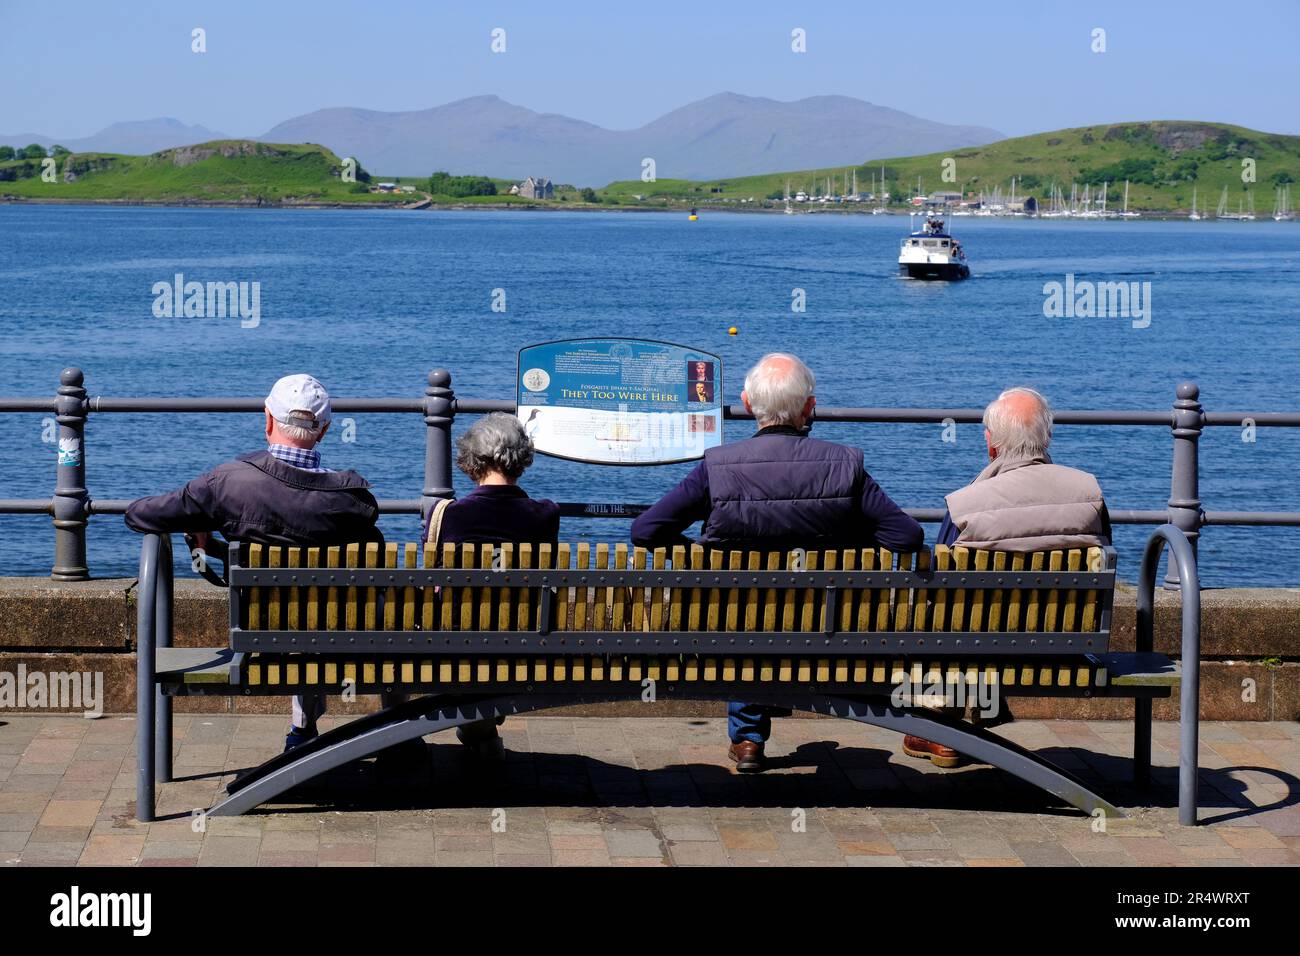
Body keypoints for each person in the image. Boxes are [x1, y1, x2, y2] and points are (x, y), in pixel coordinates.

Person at [631, 353, 923, 772]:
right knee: (779, 616)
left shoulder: (718, 466)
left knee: (749, 617)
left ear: (748, 404)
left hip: (733, 627)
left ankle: (749, 738)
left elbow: (646, 530)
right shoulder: (845, 465)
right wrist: (847, 538)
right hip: (827, 628)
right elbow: (907, 536)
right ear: (808, 407)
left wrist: (702, 550)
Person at [124, 374, 386, 753]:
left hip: (261, 631)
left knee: (298, 615)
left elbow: (140, 515)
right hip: (338, 634)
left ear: (267, 419)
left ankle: (302, 730)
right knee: (316, 610)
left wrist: (205, 532)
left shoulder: (227, 484)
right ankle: (352, 734)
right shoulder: (352, 502)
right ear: (325, 430)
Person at [906, 386, 1111, 768]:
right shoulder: (1089, 494)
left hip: (976, 650)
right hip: (1061, 647)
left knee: (949, 625)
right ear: (1046, 436)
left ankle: (942, 724)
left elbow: (937, 592)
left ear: (991, 444)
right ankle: (955, 724)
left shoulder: (964, 506)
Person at [426, 412, 560, 756]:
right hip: (523, 640)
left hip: (455, 641)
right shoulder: (546, 513)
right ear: (522, 459)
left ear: (472, 460)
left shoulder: (449, 514)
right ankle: (482, 732)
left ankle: (474, 733)